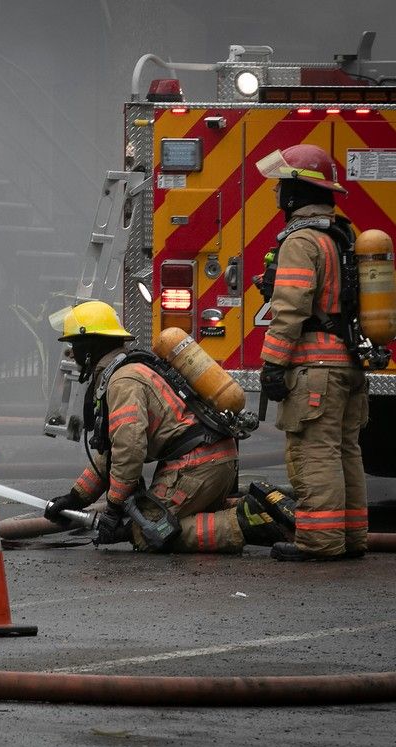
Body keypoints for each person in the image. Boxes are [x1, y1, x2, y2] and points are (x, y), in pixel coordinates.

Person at [44, 301, 293, 553]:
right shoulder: (130, 369)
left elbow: (129, 451)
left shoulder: (123, 381)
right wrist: (75, 498)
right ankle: (260, 505)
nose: (71, 353)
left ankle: (247, 522)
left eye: (74, 344)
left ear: (90, 346)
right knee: (165, 519)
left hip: (196, 467)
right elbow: (112, 454)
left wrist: (114, 508)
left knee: (147, 530)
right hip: (213, 461)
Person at [257, 144, 368, 562]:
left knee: (315, 453)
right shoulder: (342, 236)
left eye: (283, 186)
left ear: (295, 193)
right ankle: (352, 537)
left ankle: (320, 542)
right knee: (345, 452)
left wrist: (273, 364)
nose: (278, 195)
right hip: (347, 364)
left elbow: (291, 309)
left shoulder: (302, 241)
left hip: (315, 369)